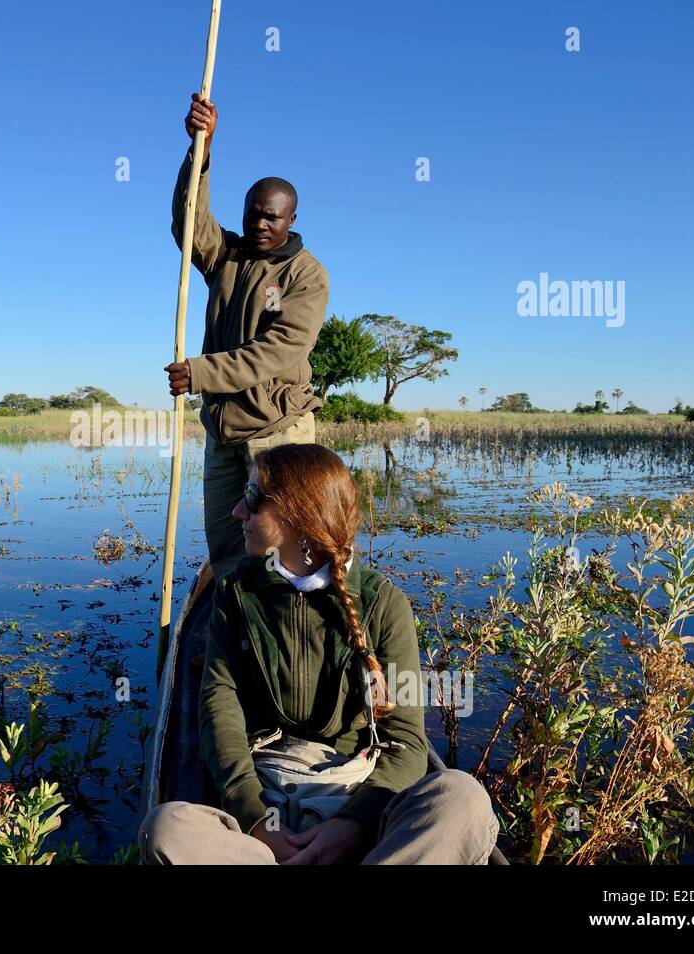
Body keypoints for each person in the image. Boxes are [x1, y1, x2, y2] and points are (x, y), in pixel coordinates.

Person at [139, 444, 499, 864]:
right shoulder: (235, 594)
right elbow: (220, 715)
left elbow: (405, 741)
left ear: (299, 513)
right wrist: (258, 821)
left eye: (254, 499)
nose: (238, 510)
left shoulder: (384, 604)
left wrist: (352, 825)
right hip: (265, 798)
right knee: (167, 827)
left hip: (357, 791)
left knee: (462, 798)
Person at [166, 94, 330, 579]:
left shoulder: (307, 275)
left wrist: (201, 373)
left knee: (283, 552)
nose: (259, 224)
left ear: (291, 220)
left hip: (277, 433)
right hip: (223, 431)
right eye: (252, 214)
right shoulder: (228, 258)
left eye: (271, 217)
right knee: (226, 546)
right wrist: (201, 151)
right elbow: (189, 223)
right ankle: (228, 634)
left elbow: (277, 352)